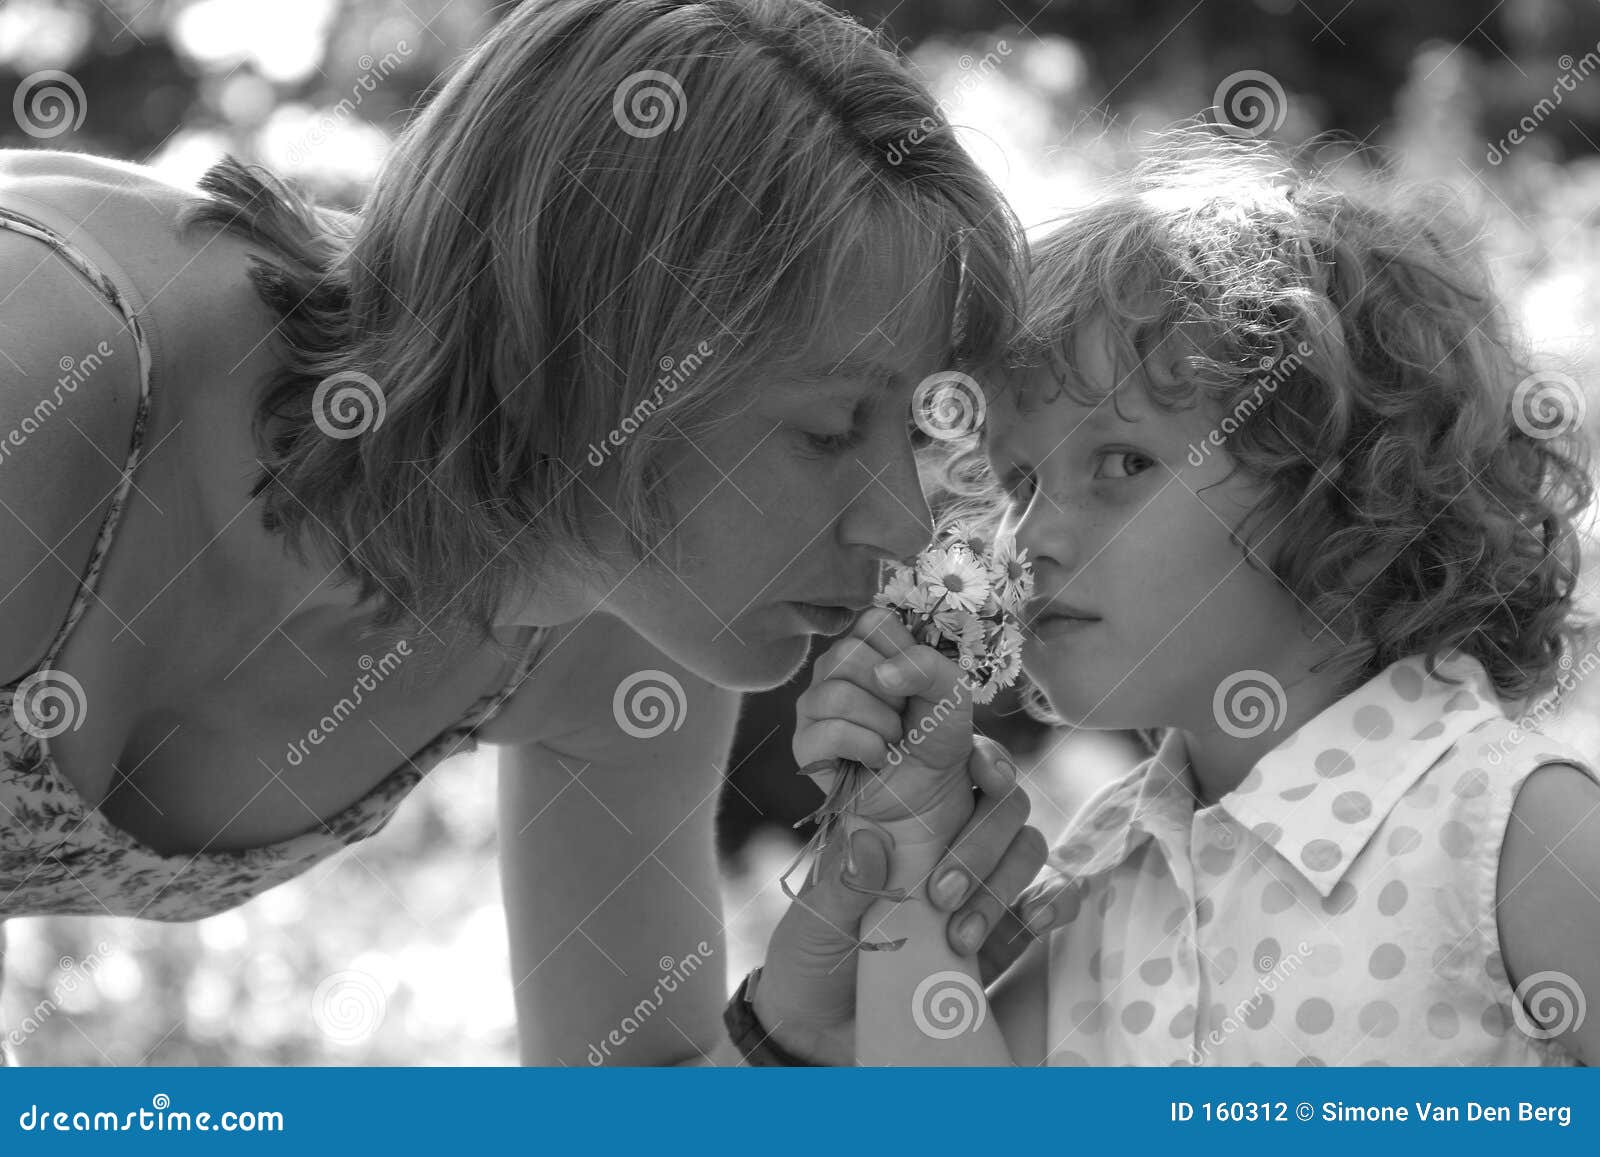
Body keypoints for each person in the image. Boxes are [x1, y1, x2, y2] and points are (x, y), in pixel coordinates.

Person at [0, 0, 1050, 1066]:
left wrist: (800, 1018)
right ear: (605, 362)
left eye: (912, 430)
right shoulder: (41, 373)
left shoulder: (627, 610)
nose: (902, 524)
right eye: (829, 428)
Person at [753, 132, 1600, 1066]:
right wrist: (910, 847)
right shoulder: (1102, 868)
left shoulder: (1512, 831)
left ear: (1357, 495)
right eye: (1020, 481)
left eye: (1122, 463)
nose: (1033, 535)